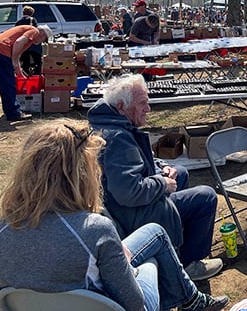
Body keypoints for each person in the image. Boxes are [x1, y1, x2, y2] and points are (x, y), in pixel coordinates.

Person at [0, 120, 229, 311]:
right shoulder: (95, 229)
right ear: (81, 174)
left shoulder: (0, 228)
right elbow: (134, 303)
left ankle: (191, 299)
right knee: (153, 249)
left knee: (153, 233)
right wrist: (132, 268)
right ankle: (189, 299)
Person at [88, 74, 222, 281]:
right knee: (206, 196)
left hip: (121, 203)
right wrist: (161, 183)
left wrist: (162, 167)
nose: (148, 109)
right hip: (127, 214)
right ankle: (188, 264)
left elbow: (136, 161)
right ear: (122, 106)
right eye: (142, 104)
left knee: (180, 172)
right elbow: (128, 193)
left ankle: (175, 241)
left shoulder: (112, 122)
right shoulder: (117, 138)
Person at [0, 24, 52, 121]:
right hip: (1, 51)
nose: (42, 42)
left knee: (6, 82)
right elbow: (18, 42)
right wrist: (14, 62)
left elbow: (18, 55)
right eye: (44, 39)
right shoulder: (34, 31)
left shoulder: (26, 34)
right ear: (42, 34)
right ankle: (13, 113)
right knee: (8, 84)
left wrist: (19, 73)